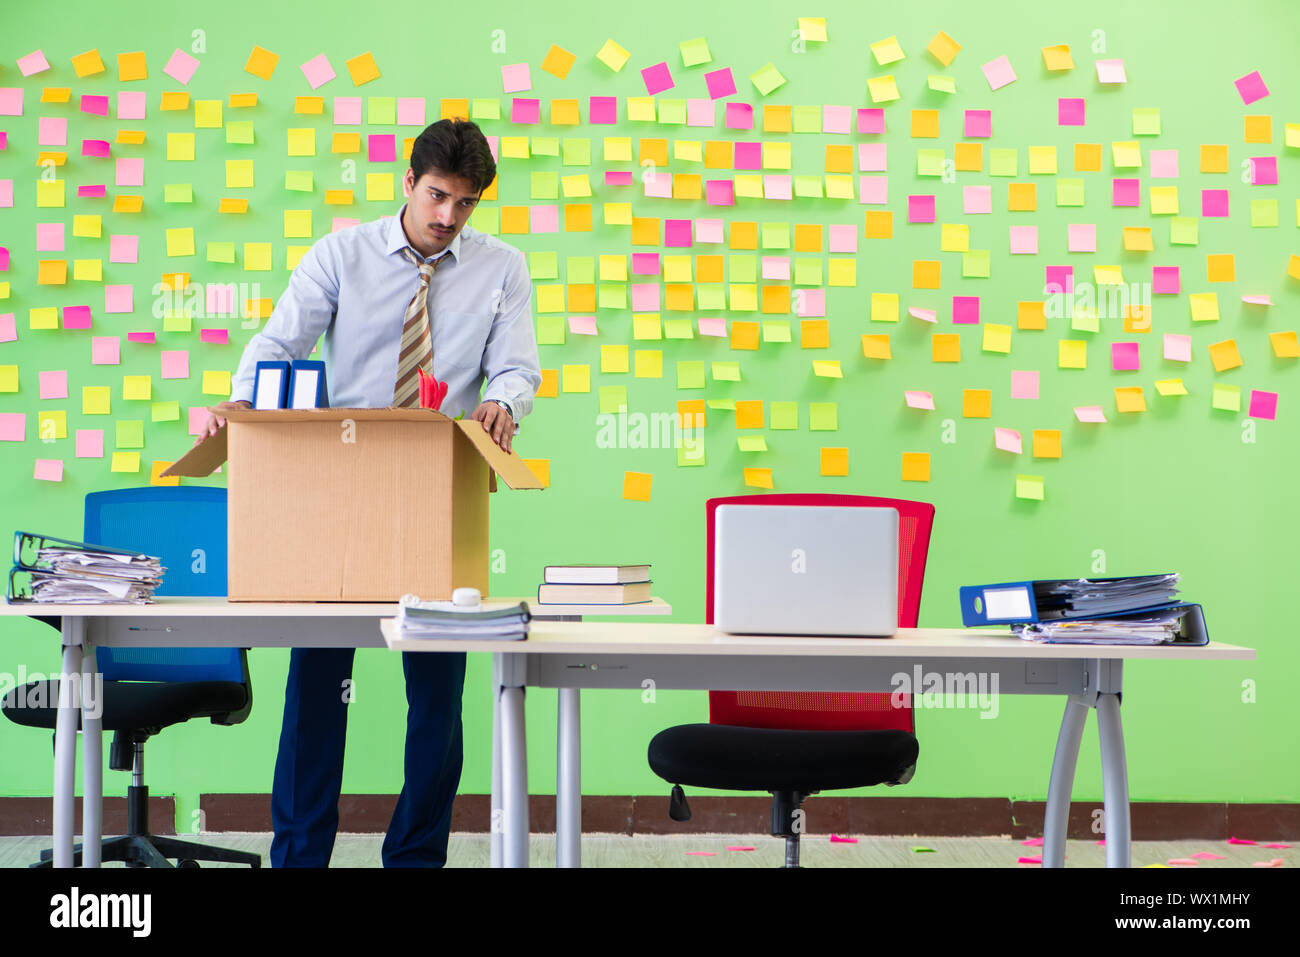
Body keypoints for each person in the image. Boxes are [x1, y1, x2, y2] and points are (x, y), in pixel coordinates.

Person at [198, 118, 541, 866]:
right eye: (438, 195)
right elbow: (278, 342)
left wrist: (504, 403)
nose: (448, 217)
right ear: (408, 182)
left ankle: (416, 855)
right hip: (338, 489)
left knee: (438, 699)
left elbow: (517, 367)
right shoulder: (341, 254)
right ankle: (299, 852)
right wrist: (240, 399)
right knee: (318, 687)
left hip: (437, 487)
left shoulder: (503, 269)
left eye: (467, 204)